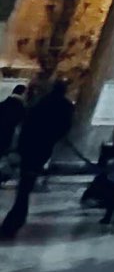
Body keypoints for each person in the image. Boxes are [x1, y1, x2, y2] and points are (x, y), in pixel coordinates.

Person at [0, 79, 73, 241]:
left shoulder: (42, 102)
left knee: (24, 187)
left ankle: (13, 221)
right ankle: (15, 221)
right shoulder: (66, 107)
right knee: (26, 186)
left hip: (29, 147)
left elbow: (27, 124)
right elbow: (64, 128)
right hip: (43, 149)